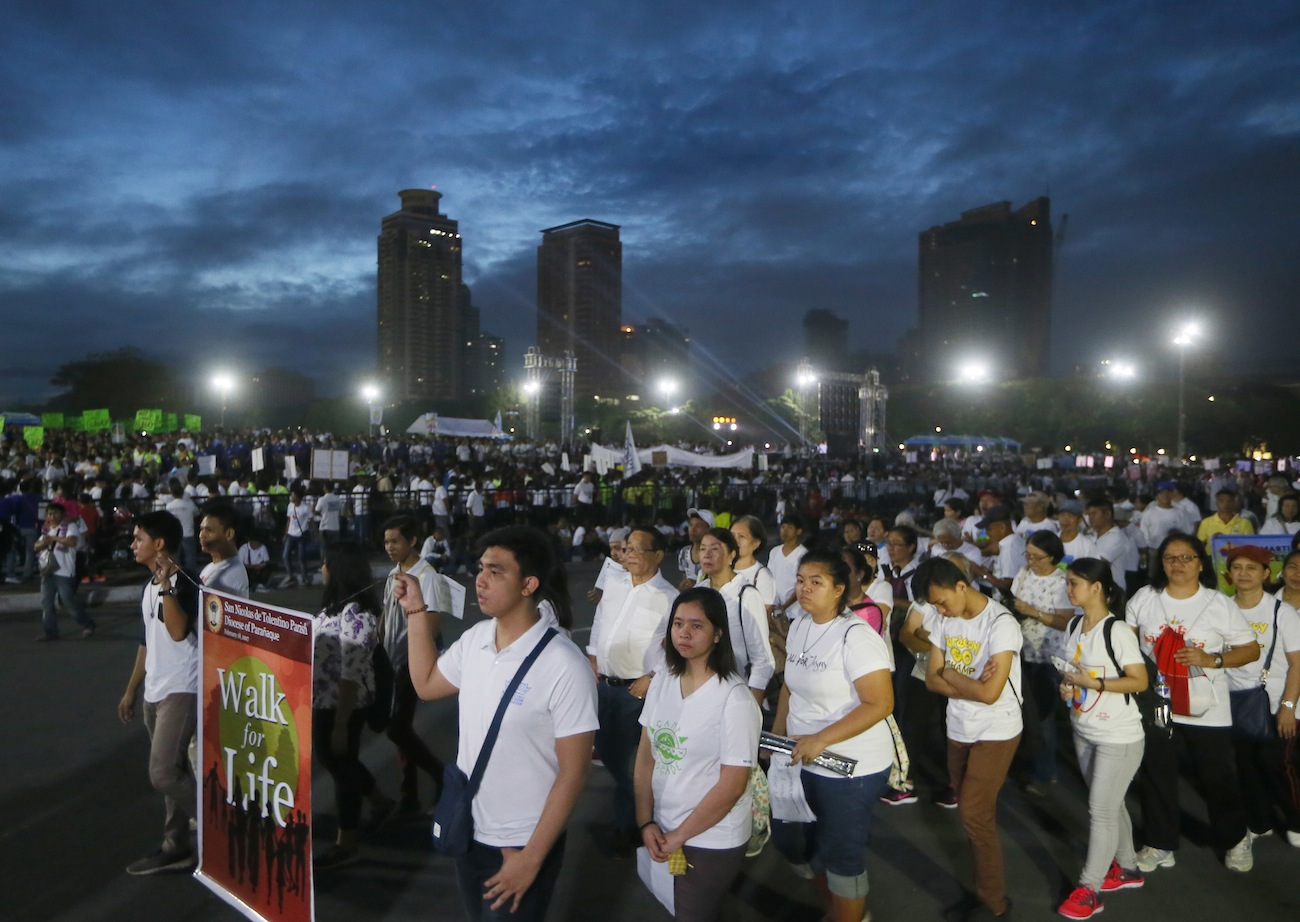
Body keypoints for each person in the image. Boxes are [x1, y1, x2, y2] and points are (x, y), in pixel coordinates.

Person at [398, 526, 598, 921]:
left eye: (496, 571)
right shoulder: (476, 640)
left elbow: (574, 774)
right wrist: (415, 611)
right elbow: (425, 684)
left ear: (529, 584)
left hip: (523, 843)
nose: (481, 579)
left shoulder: (564, 665)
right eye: (481, 568)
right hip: (471, 829)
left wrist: (531, 859)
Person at [772, 549, 895, 922]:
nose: (805, 589)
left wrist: (821, 739)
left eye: (816, 582)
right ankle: (840, 910)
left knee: (843, 855)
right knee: (793, 842)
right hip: (799, 757)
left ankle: (850, 914)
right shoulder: (800, 626)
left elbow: (880, 703)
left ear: (840, 589)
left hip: (851, 768)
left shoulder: (855, 635)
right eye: (800, 580)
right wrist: (777, 738)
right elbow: (789, 688)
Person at [1126, 533, 1260, 873]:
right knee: (1157, 773)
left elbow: (1250, 649)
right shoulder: (1145, 597)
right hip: (1157, 703)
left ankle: (1234, 837)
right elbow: (1125, 644)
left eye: (1186, 558)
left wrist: (1211, 659)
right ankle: (1160, 842)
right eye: (1170, 558)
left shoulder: (1218, 603)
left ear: (1200, 564)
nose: (1177, 564)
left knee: (1217, 777)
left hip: (1207, 706)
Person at [634, 587, 761, 922]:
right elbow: (647, 754)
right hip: (664, 822)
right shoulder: (663, 679)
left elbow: (732, 784)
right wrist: (645, 819)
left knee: (692, 913)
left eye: (696, 625)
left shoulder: (734, 699)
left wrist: (679, 835)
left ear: (718, 633)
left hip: (711, 837)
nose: (684, 633)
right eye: (677, 624)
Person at [914, 556, 1024, 921]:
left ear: (962, 585)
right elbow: (931, 680)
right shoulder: (945, 619)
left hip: (997, 728)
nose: (939, 610)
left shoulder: (1001, 624)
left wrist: (950, 672)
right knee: (971, 814)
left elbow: (991, 695)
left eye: (941, 600)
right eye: (933, 605)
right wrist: (969, 684)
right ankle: (983, 893)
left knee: (975, 814)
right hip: (958, 726)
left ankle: (994, 904)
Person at [1054, 558, 1149, 920]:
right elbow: (1073, 670)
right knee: (1112, 805)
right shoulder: (1076, 624)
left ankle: (1089, 888)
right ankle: (1126, 869)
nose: (1068, 589)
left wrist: (1093, 684)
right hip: (1084, 728)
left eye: (1074, 583)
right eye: (1068, 582)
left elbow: (1138, 681)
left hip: (1119, 736)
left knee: (1100, 810)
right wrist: (1067, 686)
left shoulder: (1118, 630)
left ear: (1097, 587)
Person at [117, 510, 200, 875]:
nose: (133, 544)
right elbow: (147, 643)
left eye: (139, 538)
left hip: (183, 688)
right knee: (174, 772)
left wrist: (167, 585)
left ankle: (227, 827)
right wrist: (131, 690)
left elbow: (179, 631)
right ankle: (176, 845)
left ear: (159, 544)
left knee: (164, 773)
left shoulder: (185, 583)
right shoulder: (148, 587)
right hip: (155, 690)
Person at [587, 525, 679, 847]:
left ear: (658, 555)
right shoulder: (614, 584)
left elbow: (675, 648)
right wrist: (593, 655)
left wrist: (651, 678)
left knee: (631, 764)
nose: (630, 555)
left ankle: (631, 829)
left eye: (638, 550)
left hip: (636, 693)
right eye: (627, 549)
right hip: (604, 685)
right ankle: (640, 814)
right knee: (609, 755)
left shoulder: (669, 597)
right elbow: (600, 621)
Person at [312, 542, 396, 868]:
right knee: (339, 761)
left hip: (342, 704)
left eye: (325, 564)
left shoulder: (356, 615)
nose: (321, 569)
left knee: (340, 767)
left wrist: (341, 724)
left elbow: (350, 675)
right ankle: (379, 801)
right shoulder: (333, 608)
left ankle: (346, 842)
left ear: (336, 571)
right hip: (325, 700)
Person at [1224, 545, 1300, 847]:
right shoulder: (1222, 608)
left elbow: (1298, 663)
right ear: (1228, 574)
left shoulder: (1282, 612)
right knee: (1246, 765)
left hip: (1277, 700)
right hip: (1237, 701)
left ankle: (1295, 820)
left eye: (1252, 568)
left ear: (1266, 574)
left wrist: (1288, 706)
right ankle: (1259, 820)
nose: (1244, 573)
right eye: (1238, 567)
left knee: (1278, 763)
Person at [380, 515, 452, 816]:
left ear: (412, 541)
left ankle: (441, 776)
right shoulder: (392, 575)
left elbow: (433, 624)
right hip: (391, 658)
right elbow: (387, 614)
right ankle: (408, 795)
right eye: (386, 541)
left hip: (412, 663)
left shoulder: (428, 577)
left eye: (395, 541)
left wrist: (416, 659)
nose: (389, 547)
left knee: (397, 728)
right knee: (400, 728)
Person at [1009, 531, 1073, 791]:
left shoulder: (1063, 583)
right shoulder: (1023, 575)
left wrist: (1033, 612)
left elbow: (1066, 620)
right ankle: (1036, 767)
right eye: (1028, 555)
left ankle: (1047, 772)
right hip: (1024, 651)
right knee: (1032, 714)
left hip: (1052, 656)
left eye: (1037, 557)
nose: (1031, 560)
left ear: (1054, 557)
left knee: (1049, 716)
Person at [696, 527, 774, 704]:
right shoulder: (697, 592)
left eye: (714, 549)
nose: (706, 555)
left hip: (734, 692)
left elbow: (762, 660)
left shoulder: (746, 595)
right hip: (699, 689)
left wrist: (752, 704)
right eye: (702, 549)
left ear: (731, 555)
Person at [35, 502, 96, 641]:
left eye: (55, 513)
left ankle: (88, 624)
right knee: (47, 603)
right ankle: (50, 631)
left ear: (62, 514)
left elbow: (72, 542)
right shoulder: (46, 529)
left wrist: (53, 539)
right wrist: (43, 543)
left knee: (68, 600)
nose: (52, 516)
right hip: (48, 571)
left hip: (64, 571)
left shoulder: (70, 526)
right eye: (49, 513)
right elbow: (36, 546)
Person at [196, 502, 249, 598]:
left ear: (229, 534)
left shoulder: (231, 575)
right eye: (201, 529)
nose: (201, 535)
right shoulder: (212, 566)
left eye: (209, 530)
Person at [767, 513, 808, 618]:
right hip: (776, 610)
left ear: (798, 531)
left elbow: (803, 583)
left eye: (789, 527)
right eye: (783, 527)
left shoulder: (803, 554)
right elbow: (769, 579)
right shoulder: (774, 552)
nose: (785, 531)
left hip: (797, 612)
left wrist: (785, 606)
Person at [731, 515, 776, 607]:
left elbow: (764, 614)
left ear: (756, 543)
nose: (735, 541)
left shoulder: (762, 576)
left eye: (741, 536)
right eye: (732, 535)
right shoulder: (721, 568)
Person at [677, 508, 714, 591]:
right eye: (690, 525)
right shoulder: (684, 552)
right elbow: (684, 577)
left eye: (698, 526)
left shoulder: (715, 554)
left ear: (709, 529)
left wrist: (695, 584)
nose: (692, 530)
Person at [282, 488, 312, 586]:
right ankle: (291, 574)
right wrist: (286, 534)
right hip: (291, 533)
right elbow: (289, 520)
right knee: (286, 555)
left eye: (293, 495)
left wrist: (311, 532)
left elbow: (311, 520)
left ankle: (304, 577)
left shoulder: (305, 508)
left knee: (301, 557)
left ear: (298, 497)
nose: (291, 497)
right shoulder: (290, 506)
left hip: (301, 534)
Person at [316, 483, 345, 548]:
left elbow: (317, 511)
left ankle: (325, 558)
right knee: (334, 547)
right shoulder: (338, 499)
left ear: (325, 488)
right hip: (335, 526)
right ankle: (334, 558)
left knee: (324, 547)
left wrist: (322, 515)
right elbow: (341, 510)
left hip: (324, 526)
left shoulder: (322, 499)